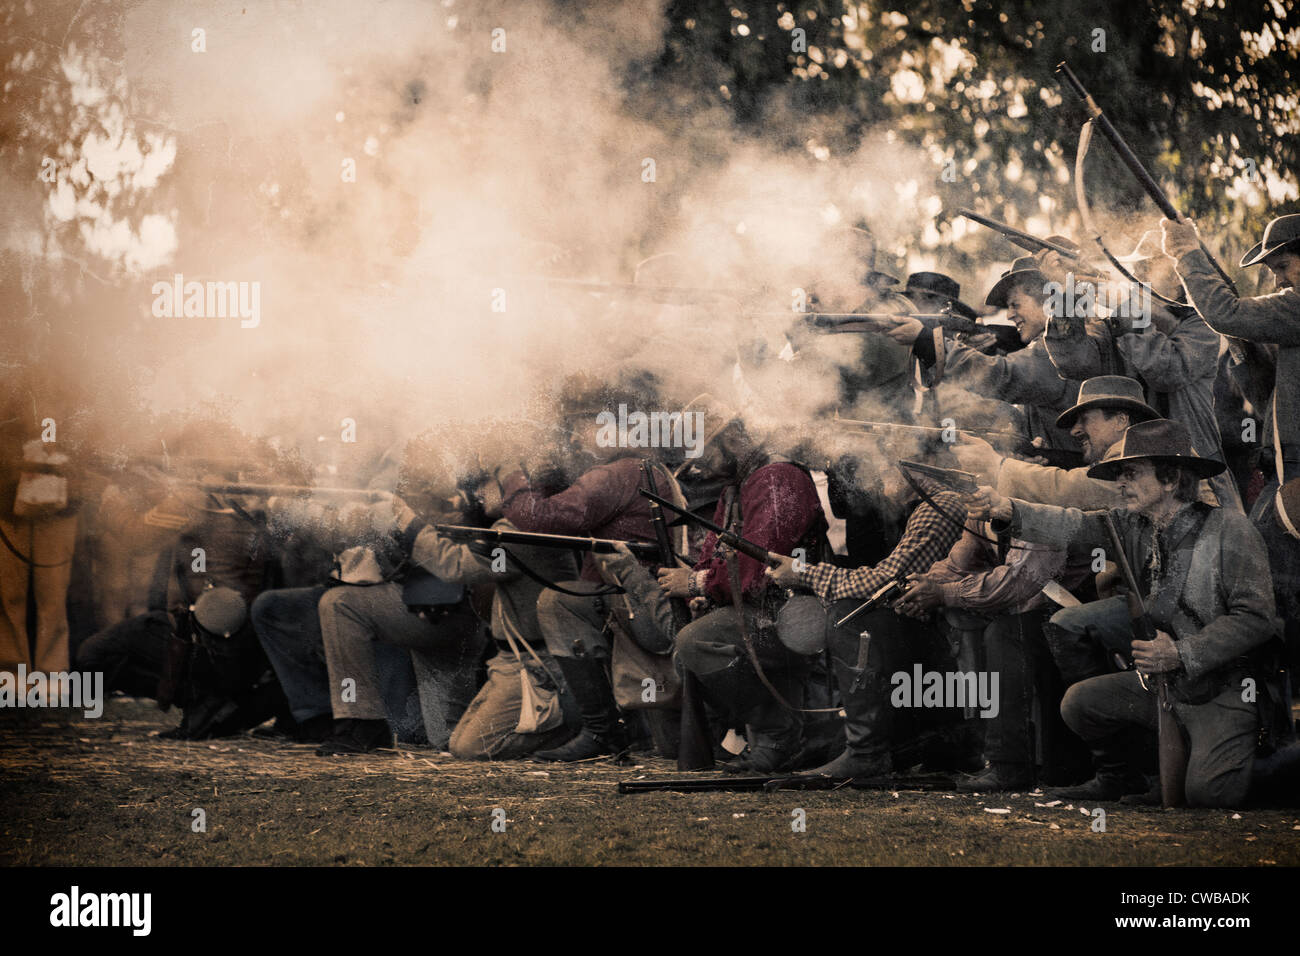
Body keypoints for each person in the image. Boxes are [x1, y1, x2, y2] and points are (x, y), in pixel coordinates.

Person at [967, 419, 1280, 806]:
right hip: (1167, 688)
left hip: (1224, 689)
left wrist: (1182, 653)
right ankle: (1133, 775)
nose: (1121, 483)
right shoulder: (1129, 525)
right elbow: (1071, 524)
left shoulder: (1231, 529)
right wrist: (1006, 508)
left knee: (1209, 794)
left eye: (1131, 473)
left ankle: (1270, 765)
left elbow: (1257, 618)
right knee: (1080, 704)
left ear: (1169, 479)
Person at [765, 462, 965, 779]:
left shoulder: (940, 505)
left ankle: (867, 753)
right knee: (826, 750)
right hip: (940, 651)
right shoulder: (906, 510)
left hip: (953, 646)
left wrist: (803, 572)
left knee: (849, 614)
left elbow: (884, 583)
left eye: (879, 469)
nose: (870, 483)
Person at [1162, 213, 1300, 665]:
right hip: (1285, 473)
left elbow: (1225, 312)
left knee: (1260, 587)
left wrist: (1186, 251)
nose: (1278, 279)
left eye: (1284, 266)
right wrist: (1243, 347)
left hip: (1294, 476)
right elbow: (1267, 402)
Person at [661, 417, 826, 774]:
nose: (700, 464)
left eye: (706, 450)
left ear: (734, 438)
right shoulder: (735, 488)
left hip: (793, 614)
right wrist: (703, 590)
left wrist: (696, 584)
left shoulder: (777, 478)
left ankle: (779, 736)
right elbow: (714, 556)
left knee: (696, 642)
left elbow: (757, 565)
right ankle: (753, 736)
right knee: (689, 646)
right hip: (763, 612)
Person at [1041, 230, 1241, 511]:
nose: (1141, 277)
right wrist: (1064, 295)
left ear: (1179, 276)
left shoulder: (1200, 326)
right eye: (1140, 269)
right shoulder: (1120, 324)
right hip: (1133, 479)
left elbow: (1167, 371)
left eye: (1151, 268)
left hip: (1193, 478)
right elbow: (1073, 361)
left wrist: (1127, 310)